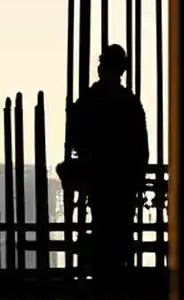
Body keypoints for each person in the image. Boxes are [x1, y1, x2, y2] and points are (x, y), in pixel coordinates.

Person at [58, 44, 149, 275]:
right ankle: (114, 265)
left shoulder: (94, 99)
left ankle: (104, 264)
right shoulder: (129, 101)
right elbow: (142, 148)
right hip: (121, 180)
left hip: (101, 176)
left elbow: (74, 134)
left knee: (105, 221)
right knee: (118, 225)